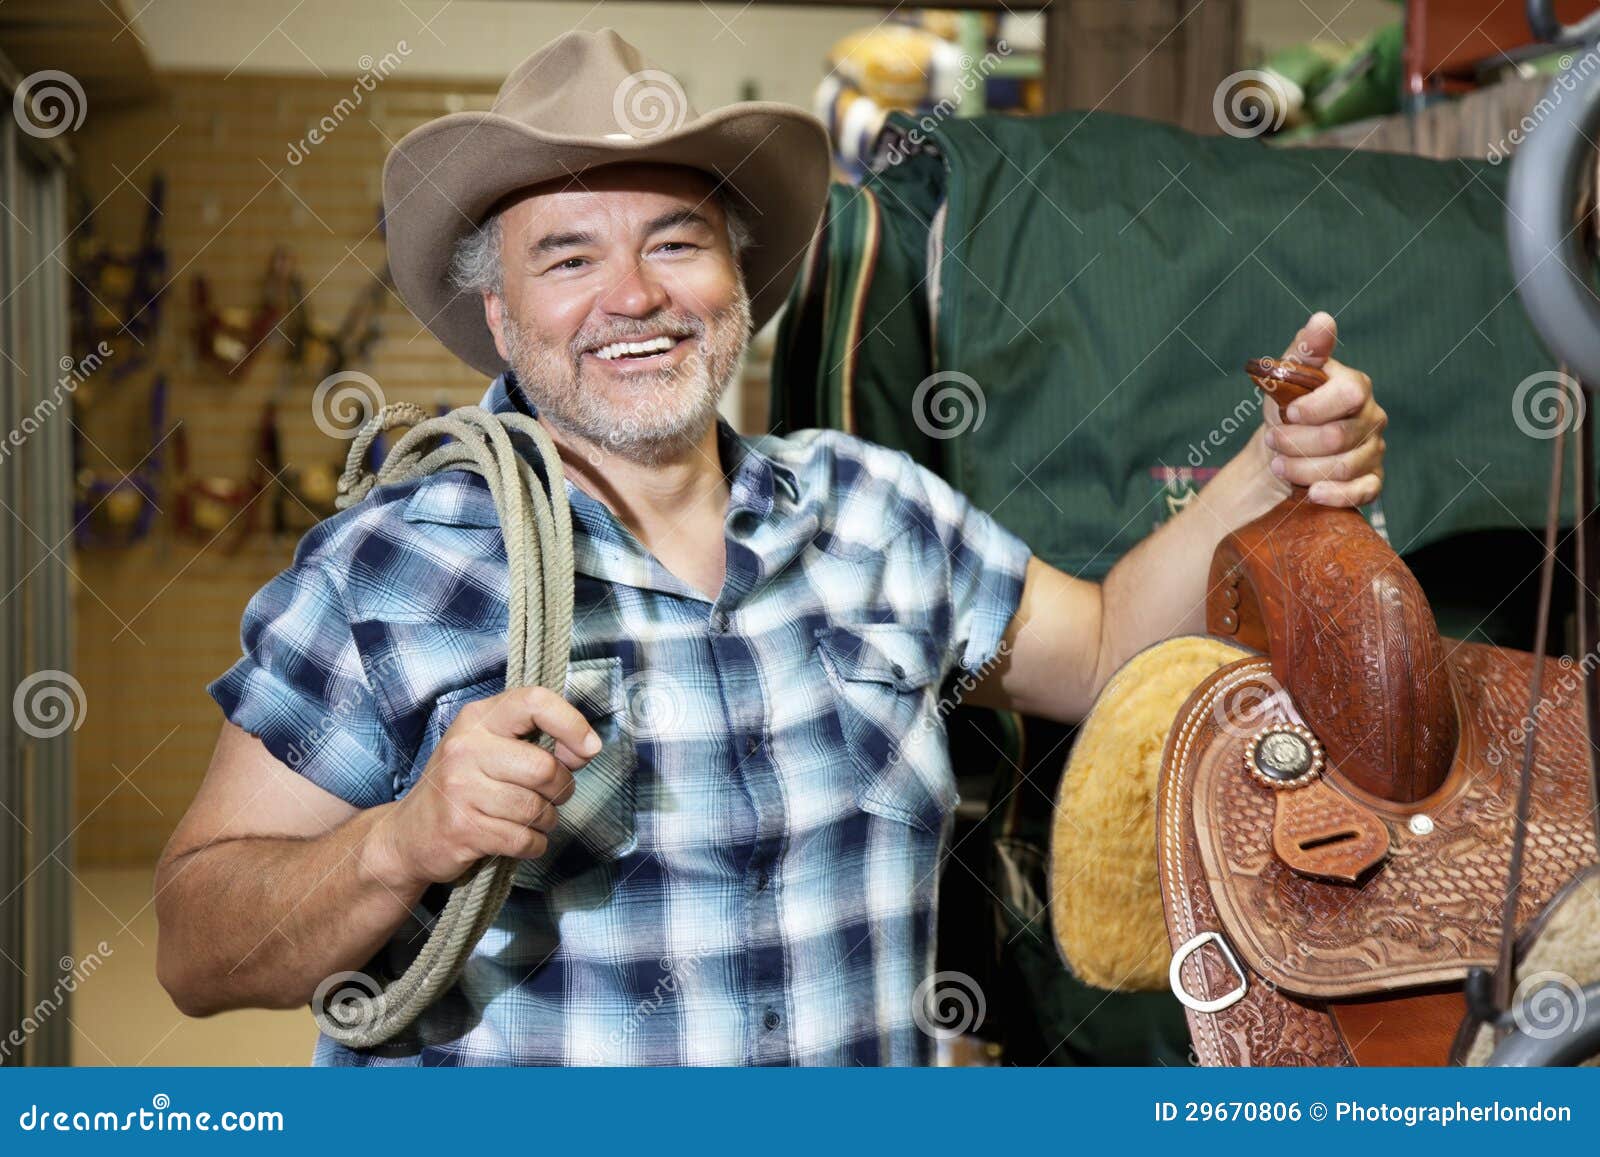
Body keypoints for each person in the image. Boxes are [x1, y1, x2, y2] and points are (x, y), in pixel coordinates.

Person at [154, 29, 1386, 1065]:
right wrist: (400, 838)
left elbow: (1114, 642)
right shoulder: (393, 566)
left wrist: (1267, 472)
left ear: (735, 276)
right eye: (568, 255)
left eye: (674, 241)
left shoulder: (873, 514)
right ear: (500, 311)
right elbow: (194, 944)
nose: (631, 294)